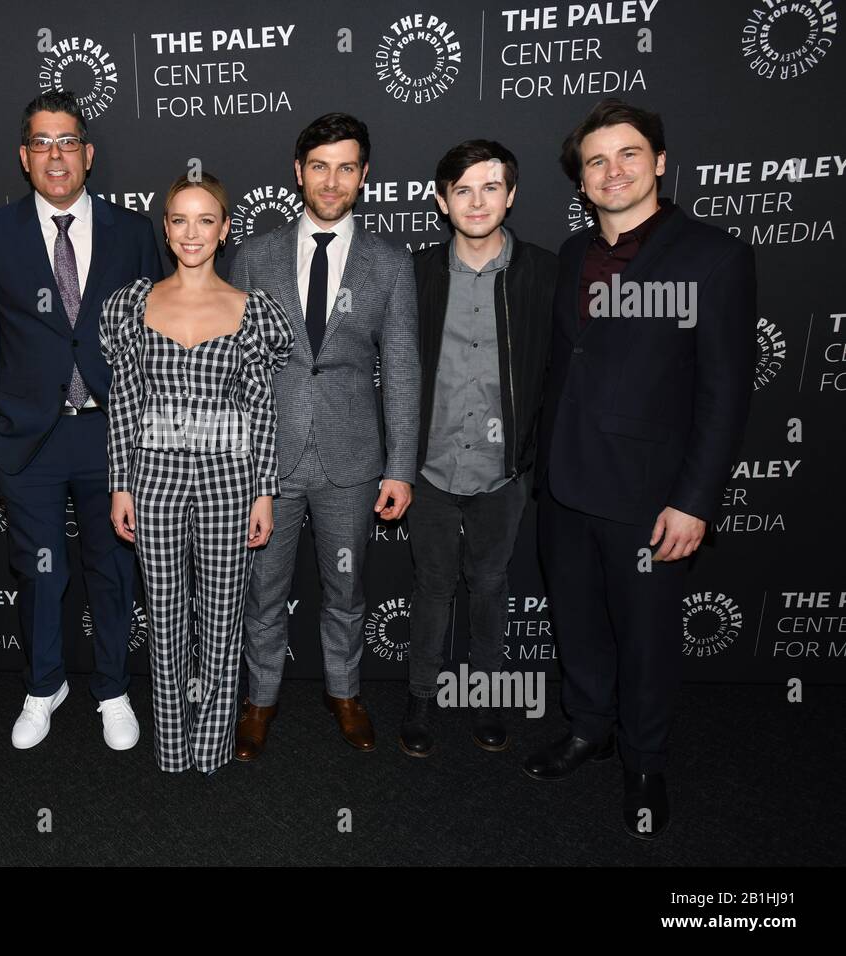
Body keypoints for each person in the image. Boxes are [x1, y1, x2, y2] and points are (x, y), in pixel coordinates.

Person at [527, 99, 756, 839]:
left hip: (648, 493)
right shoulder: (571, 253)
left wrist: (694, 502)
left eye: (628, 154)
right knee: (579, 624)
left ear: (659, 162)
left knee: (649, 640)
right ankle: (589, 727)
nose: (612, 170)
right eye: (596, 161)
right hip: (564, 481)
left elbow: (724, 391)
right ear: (582, 181)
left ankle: (646, 761)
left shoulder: (712, 255)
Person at [0, 89, 164, 751]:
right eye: (43, 143)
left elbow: (151, 339)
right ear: (25, 157)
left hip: (113, 435)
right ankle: (44, 684)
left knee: (112, 572)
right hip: (29, 440)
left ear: (88, 154)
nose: (56, 155)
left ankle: (112, 690)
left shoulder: (133, 233)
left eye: (68, 142)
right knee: (41, 573)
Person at [232, 113, 420, 759]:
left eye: (346, 167)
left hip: (353, 459)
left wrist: (400, 467)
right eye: (319, 166)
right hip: (267, 460)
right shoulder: (253, 256)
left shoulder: (390, 265)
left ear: (364, 175)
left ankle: (344, 691)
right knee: (263, 590)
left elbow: (400, 370)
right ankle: (259, 698)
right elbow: (235, 364)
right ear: (298, 171)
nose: (331, 180)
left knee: (346, 588)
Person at [101, 172, 292, 773]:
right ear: (166, 229)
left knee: (222, 615)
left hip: (229, 479)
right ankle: (171, 747)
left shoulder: (250, 310)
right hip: (153, 476)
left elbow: (262, 409)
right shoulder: (134, 303)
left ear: (225, 229)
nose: (192, 232)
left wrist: (265, 490)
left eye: (205, 220)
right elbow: (124, 402)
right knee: (163, 614)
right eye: (180, 220)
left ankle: (209, 747)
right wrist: (120, 483)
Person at [401, 141, 557, 757]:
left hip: (503, 471)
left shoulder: (544, 273)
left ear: (511, 194)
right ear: (442, 201)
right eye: (462, 189)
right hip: (430, 470)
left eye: (490, 187)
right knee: (433, 587)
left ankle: (486, 694)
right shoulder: (415, 273)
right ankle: (420, 697)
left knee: (491, 585)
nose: (477, 201)